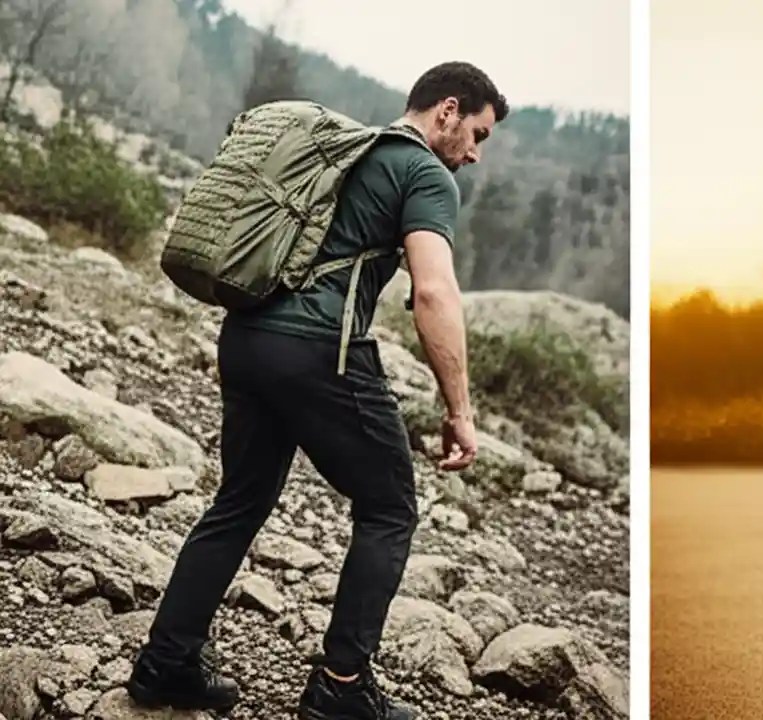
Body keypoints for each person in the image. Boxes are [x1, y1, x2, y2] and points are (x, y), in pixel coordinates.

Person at [125, 61, 508, 720]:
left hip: (245, 338)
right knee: (390, 509)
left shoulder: (345, 153)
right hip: (318, 352)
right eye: (476, 133)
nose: (473, 153)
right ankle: (342, 687)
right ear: (447, 110)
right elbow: (435, 291)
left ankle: (165, 664)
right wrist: (460, 410)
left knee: (239, 501)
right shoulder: (424, 174)